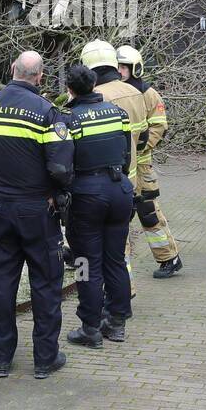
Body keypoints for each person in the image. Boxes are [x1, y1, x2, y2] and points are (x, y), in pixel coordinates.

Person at [0, 51, 74, 379]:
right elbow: (61, 167)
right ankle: (45, 359)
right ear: (40, 77)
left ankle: (2, 358)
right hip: (37, 211)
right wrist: (59, 191)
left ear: (11, 69)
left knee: (3, 284)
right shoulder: (47, 112)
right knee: (45, 285)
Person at [61, 64, 134, 347]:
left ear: (70, 89)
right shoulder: (118, 114)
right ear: (94, 85)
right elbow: (127, 154)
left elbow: (64, 164)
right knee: (115, 260)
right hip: (119, 190)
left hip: (87, 196)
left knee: (84, 263)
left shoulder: (71, 121)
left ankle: (89, 327)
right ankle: (117, 323)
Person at [115, 45, 183, 279]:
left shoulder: (148, 93)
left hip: (142, 166)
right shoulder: (114, 92)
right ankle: (120, 267)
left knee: (149, 213)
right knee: (120, 216)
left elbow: (160, 125)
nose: (120, 71)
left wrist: (141, 146)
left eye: (124, 67)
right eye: (118, 66)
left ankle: (169, 258)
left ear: (136, 68)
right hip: (121, 167)